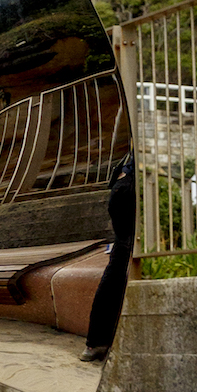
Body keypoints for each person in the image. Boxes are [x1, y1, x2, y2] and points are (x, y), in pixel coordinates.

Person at [83, 152, 137, 362]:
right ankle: (96, 343)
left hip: (123, 186)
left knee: (116, 267)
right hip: (131, 188)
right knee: (120, 262)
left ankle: (95, 343)